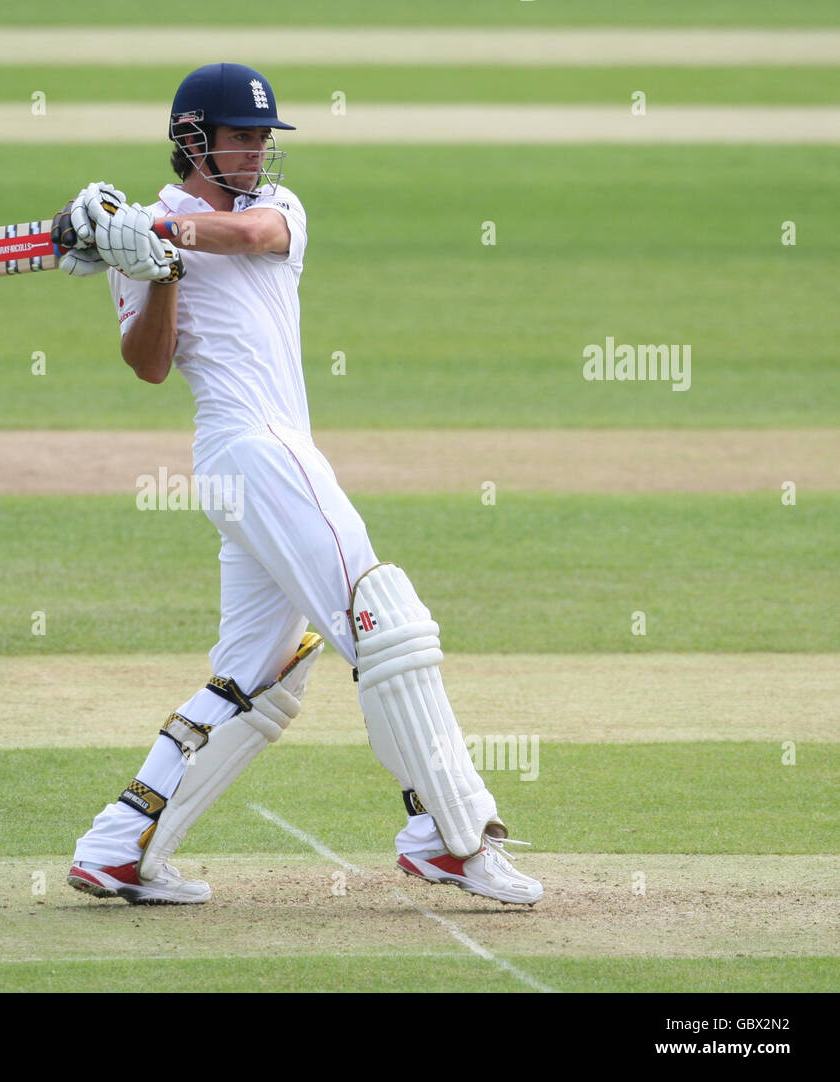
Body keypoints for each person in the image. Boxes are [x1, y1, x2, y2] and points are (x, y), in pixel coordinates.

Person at [55, 63, 543, 907]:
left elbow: (248, 240)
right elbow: (149, 365)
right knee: (383, 620)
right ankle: (449, 834)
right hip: (248, 451)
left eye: (262, 138)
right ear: (192, 140)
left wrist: (158, 236)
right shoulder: (139, 241)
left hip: (271, 459)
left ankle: (120, 849)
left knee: (262, 675)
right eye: (241, 136)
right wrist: (154, 265)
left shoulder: (269, 214)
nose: (256, 151)